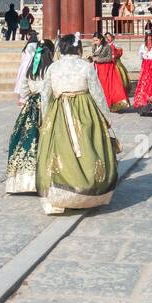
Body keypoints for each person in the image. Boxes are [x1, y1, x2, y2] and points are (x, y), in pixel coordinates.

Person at [36, 35, 118, 214]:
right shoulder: (86, 66)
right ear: (78, 48)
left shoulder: (53, 67)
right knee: (88, 146)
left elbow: (45, 95)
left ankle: (59, 196)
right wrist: (106, 116)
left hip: (58, 111)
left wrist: (44, 117)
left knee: (60, 150)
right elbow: (97, 93)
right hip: (85, 110)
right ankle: (89, 192)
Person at [7, 38, 54, 194]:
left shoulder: (30, 71)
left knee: (26, 140)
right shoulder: (51, 69)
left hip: (32, 107)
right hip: (49, 105)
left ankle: (25, 179)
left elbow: (23, 91)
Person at [91, 31, 129, 112]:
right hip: (97, 68)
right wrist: (91, 58)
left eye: (96, 40)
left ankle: (112, 103)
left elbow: (109, 58)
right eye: (94, 40)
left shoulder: (107, 47)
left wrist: (98, 59)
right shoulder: (94, 46)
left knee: (108, 86)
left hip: (106, 68)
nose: (95, 42)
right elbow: (94, 55)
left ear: (101, 39)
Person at [14, 32, 39, 97]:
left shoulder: (30, 45)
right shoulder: (38, 45)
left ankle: (22, 96)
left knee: (23, 80)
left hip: (27, 64)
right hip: (35, 63)